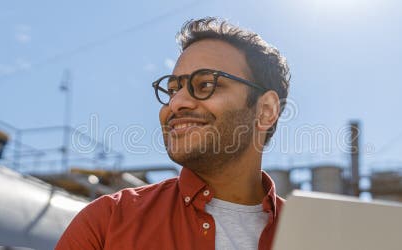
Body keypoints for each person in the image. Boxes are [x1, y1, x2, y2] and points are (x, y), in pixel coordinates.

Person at [55, 16, 291, 250]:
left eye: (206, 85)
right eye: (172, 89)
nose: (176, 103)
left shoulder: (316, 236)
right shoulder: (106, 222)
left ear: (266, 110)